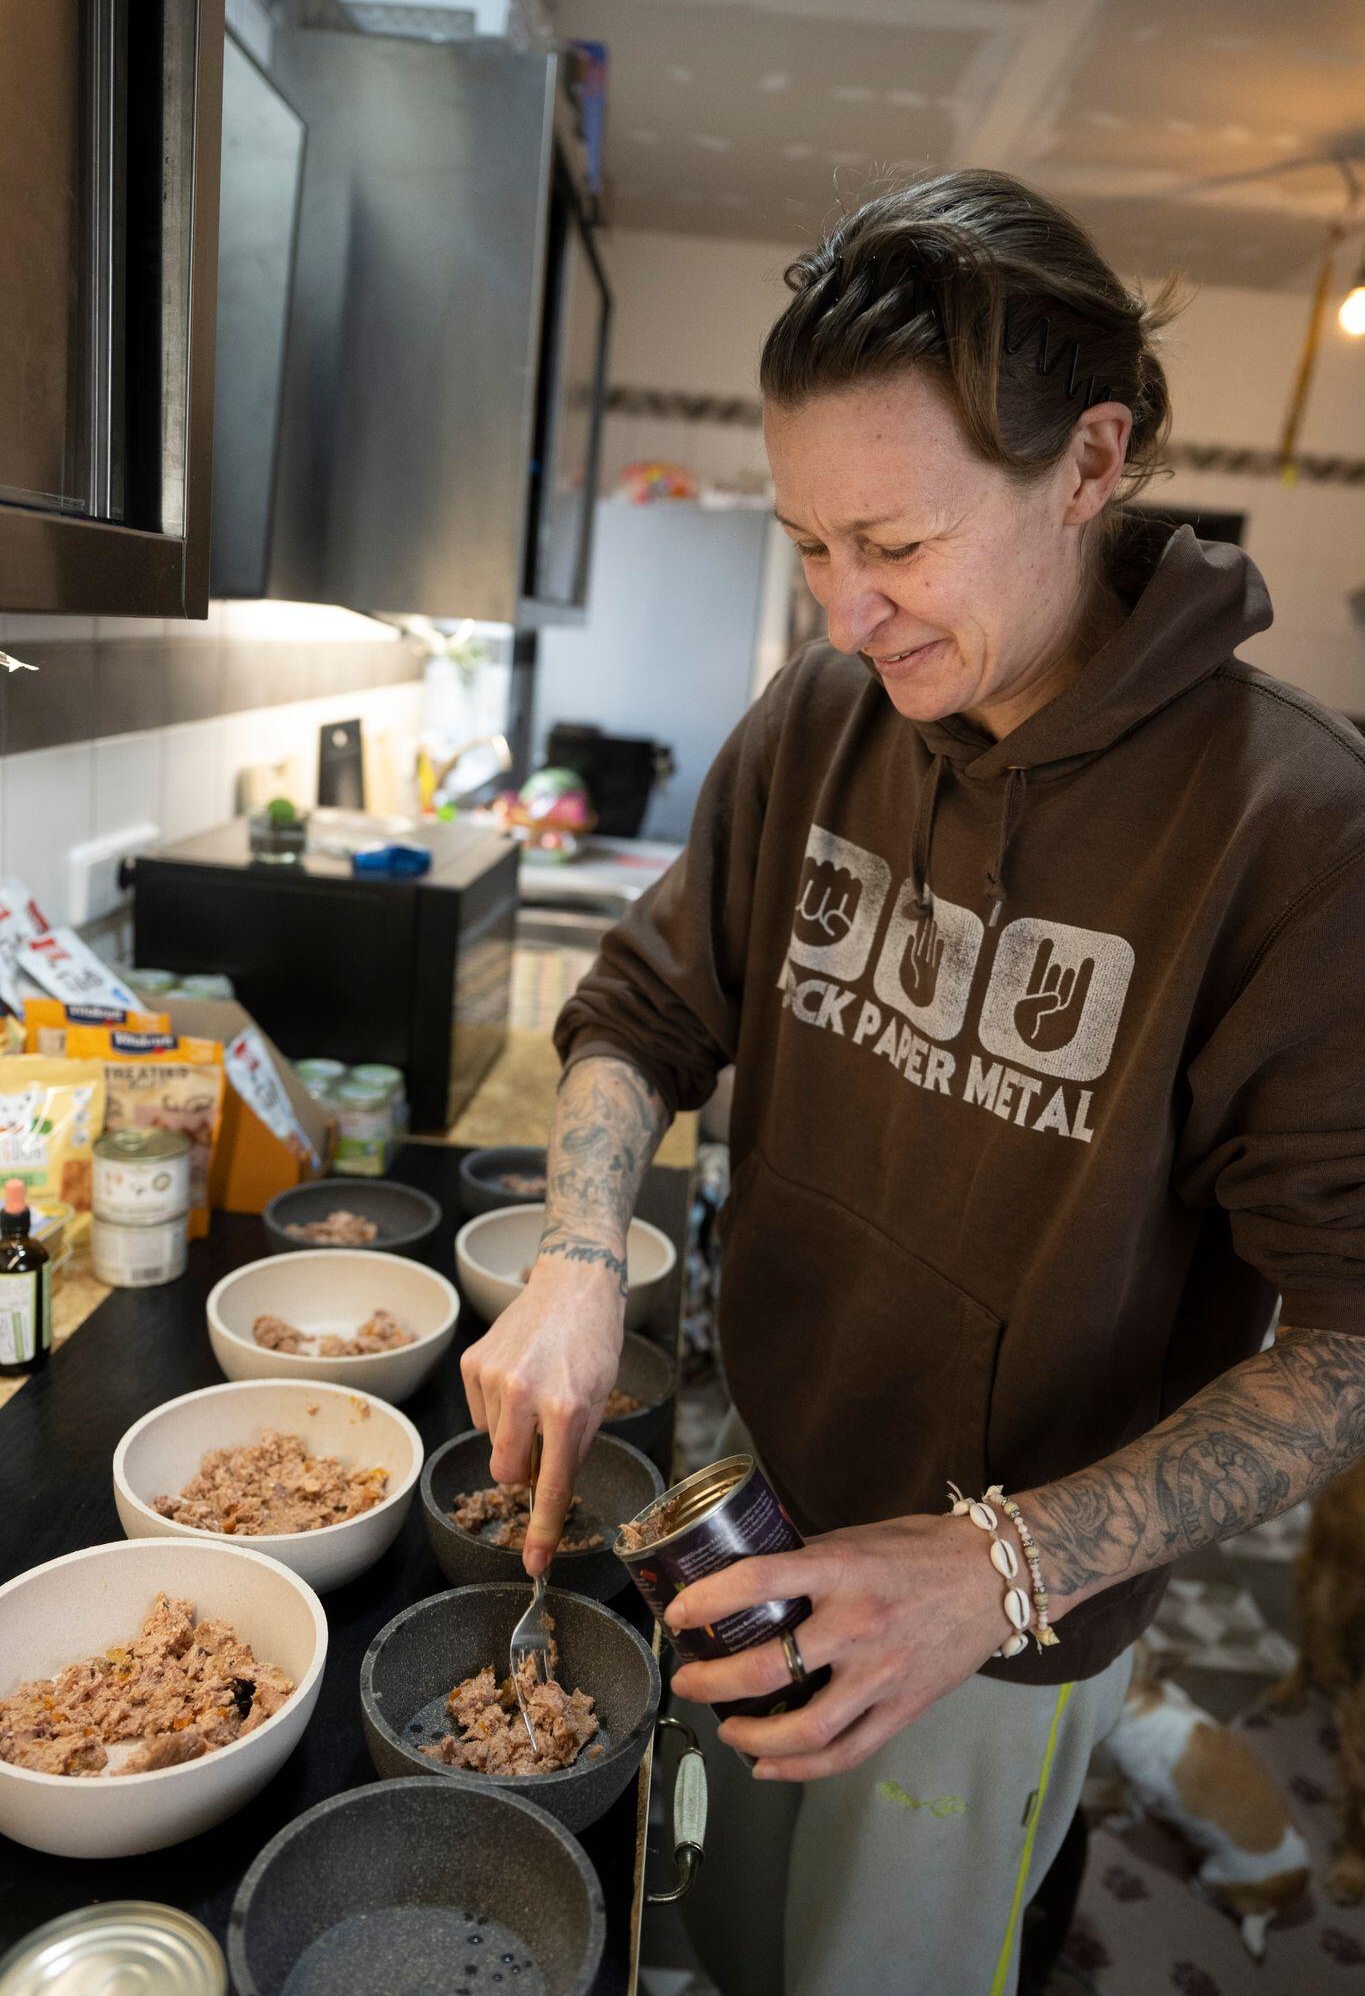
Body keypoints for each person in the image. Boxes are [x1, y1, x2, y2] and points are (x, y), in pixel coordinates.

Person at [461, 168, 1365, 1995]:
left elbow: (1346, 1343)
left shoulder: (1292, 829)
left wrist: (997, 1576)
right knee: (717, 1919)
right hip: (756, 1496)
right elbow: (643, 1010)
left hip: (994, 1625)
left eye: (896, 543)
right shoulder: (821, 720)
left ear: (1090, 463)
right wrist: (574, 1255)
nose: (844, 612)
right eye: (806, 544)